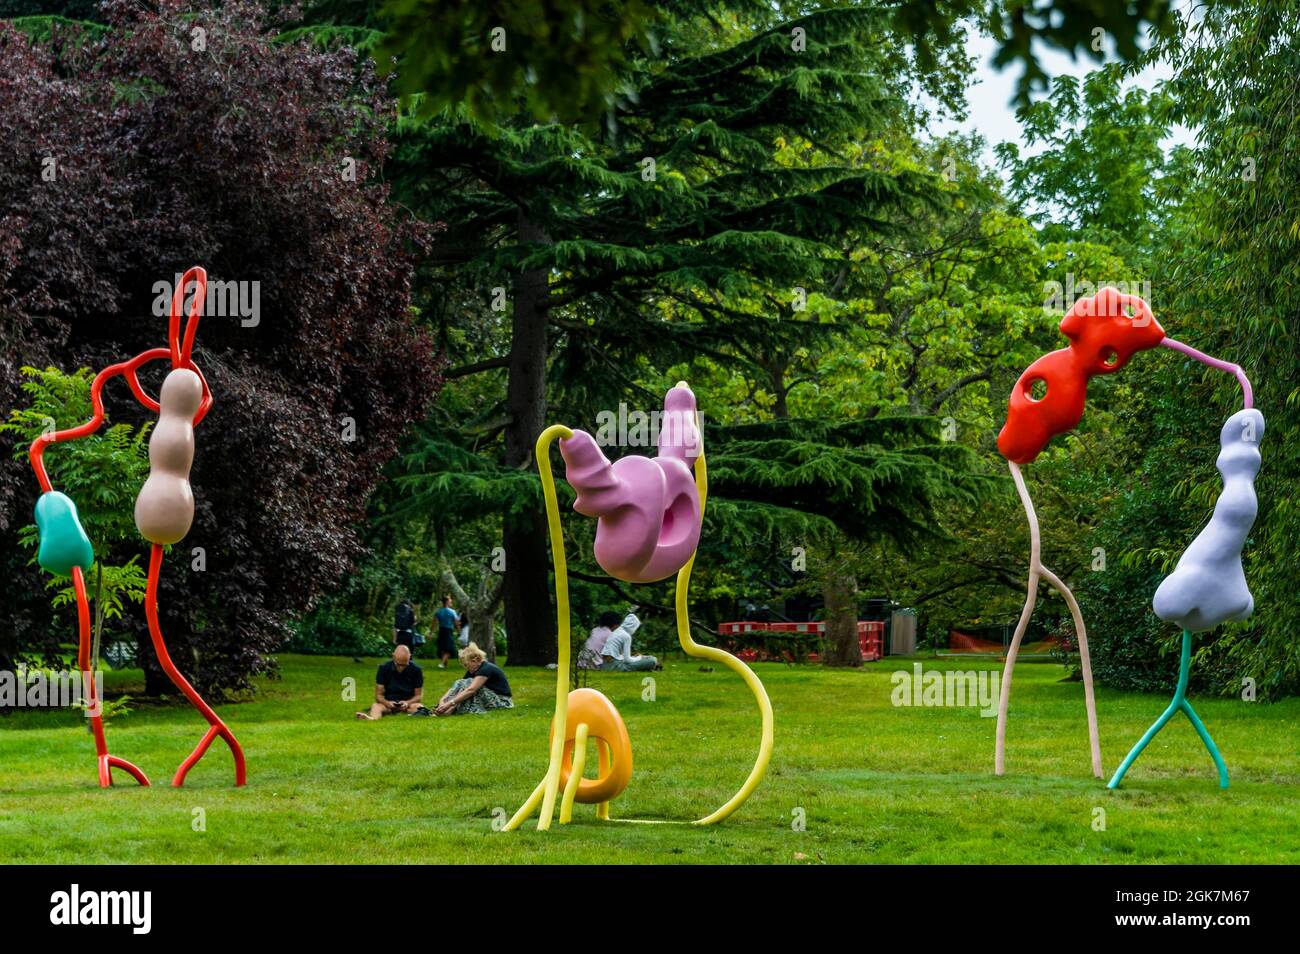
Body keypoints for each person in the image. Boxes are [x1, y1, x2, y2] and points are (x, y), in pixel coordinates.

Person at [435, 643, 513, 715]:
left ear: (474, 661)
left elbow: (471, 690)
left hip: (502, 702)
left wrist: (450, 704)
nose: (466, 667)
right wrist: (442, 701)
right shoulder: (474, 670)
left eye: (466, 664)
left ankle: (451, 709)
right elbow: (459, 686)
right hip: (490, 697)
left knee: (469, 684)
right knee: (461, 682)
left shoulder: (486, 669)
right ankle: (444, 708)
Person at [356, 645, 427, 719]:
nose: (401, 668)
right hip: (388, 703)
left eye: (404, 665)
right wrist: (387, 703)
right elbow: (378, 695)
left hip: (408, 703)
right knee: (376, 706)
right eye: (399, 664)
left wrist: (407, 702)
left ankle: (415, 715)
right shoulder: (384, 668)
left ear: (409, 657)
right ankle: (372, 719)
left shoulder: (416, 670)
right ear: (393, 657)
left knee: (420, 707)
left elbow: (418, 695)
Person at [434, 595, 460, 669]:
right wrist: (459, 631)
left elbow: (434, 623)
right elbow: (456, 622)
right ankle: (442, 664)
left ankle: (445, 665)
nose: (451, 602)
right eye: (450, 601)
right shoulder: (452, 612)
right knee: (449, 649)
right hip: (448, 631)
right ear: (447, 602)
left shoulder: (439, 612)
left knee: (443, 648)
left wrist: (431, 632)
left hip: (441, 630)